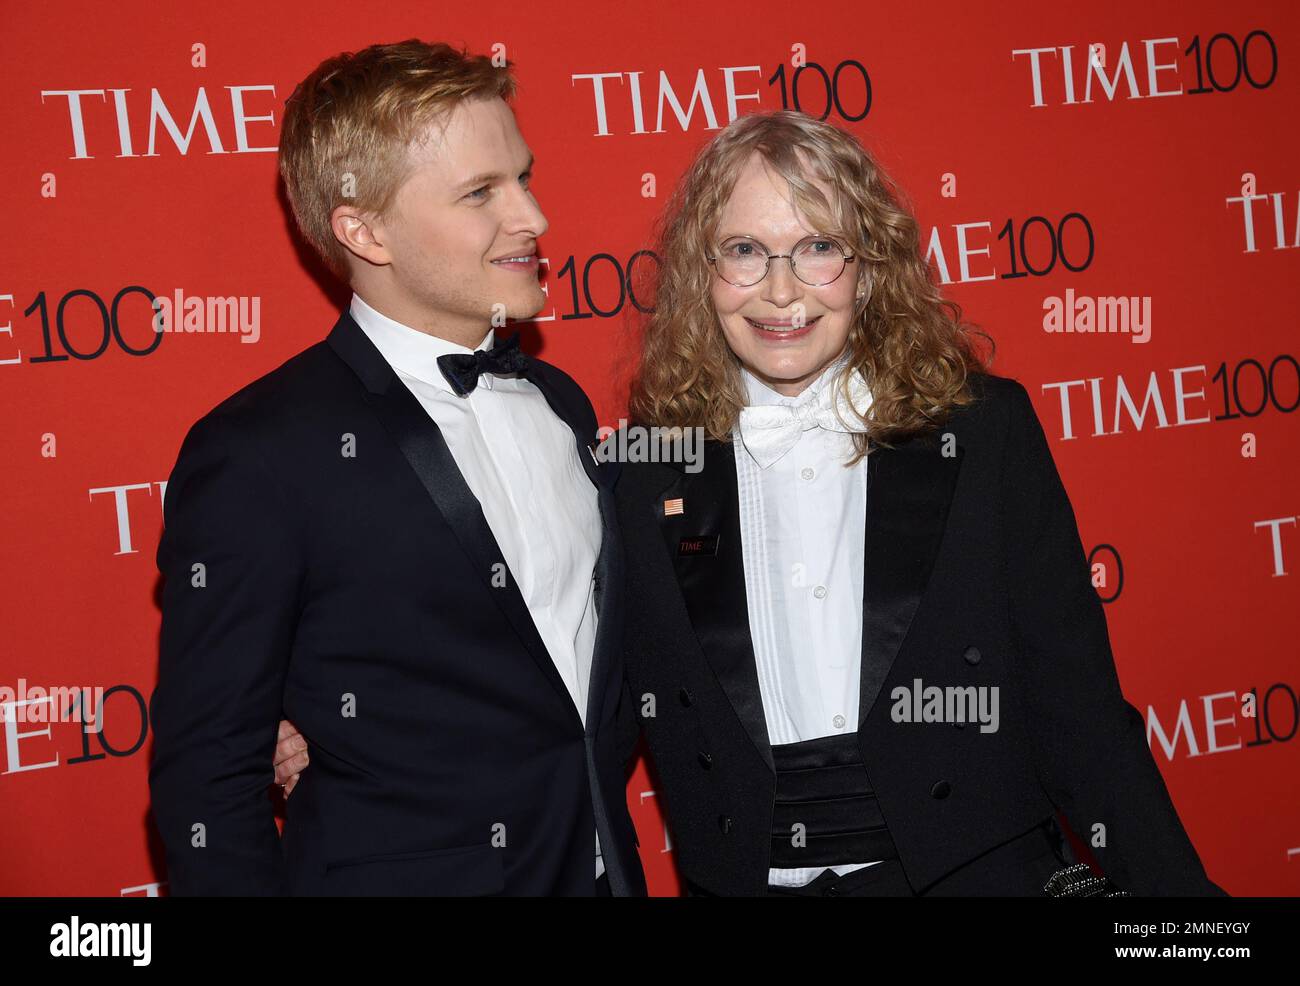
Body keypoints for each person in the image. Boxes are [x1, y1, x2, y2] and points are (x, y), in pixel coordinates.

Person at [275, 109, 1226, 898]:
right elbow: (561, 671)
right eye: (745, 251)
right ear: (703, 270)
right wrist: (345, 721)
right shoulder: (647, 466)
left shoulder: (983, 432)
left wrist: (1193, 923)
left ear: (870, 264)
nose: (781, 292)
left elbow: (1081, 710)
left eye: (818, 248)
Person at [148, 39, 645, 897]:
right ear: (363, 229)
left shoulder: (558, 399)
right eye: (481, 192)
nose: (532, 217)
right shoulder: (259, 452)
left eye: (523, 177)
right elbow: (207, 785)